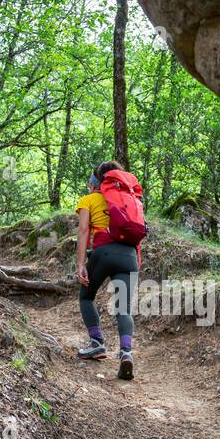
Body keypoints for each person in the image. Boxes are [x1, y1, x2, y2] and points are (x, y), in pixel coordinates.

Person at [74, 160, 145, 380]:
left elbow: (84, 231)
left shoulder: (89, 199)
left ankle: (97, 343)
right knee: (123, 308)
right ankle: (126, 353)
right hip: (129, 256)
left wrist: (80, 264)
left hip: (104, 252)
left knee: (86, 296)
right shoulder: (130, 199)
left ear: (98, 179)